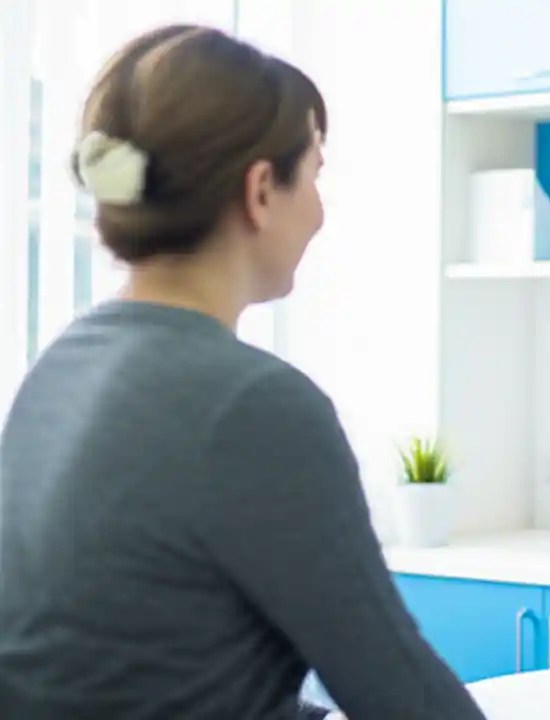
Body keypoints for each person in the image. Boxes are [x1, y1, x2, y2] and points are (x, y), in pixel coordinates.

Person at [0, 24, 486, 720]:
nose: (319, 210)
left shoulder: (61, 368)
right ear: (261, 190)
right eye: (315, 175)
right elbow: (403, 696)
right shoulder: (253, 406)